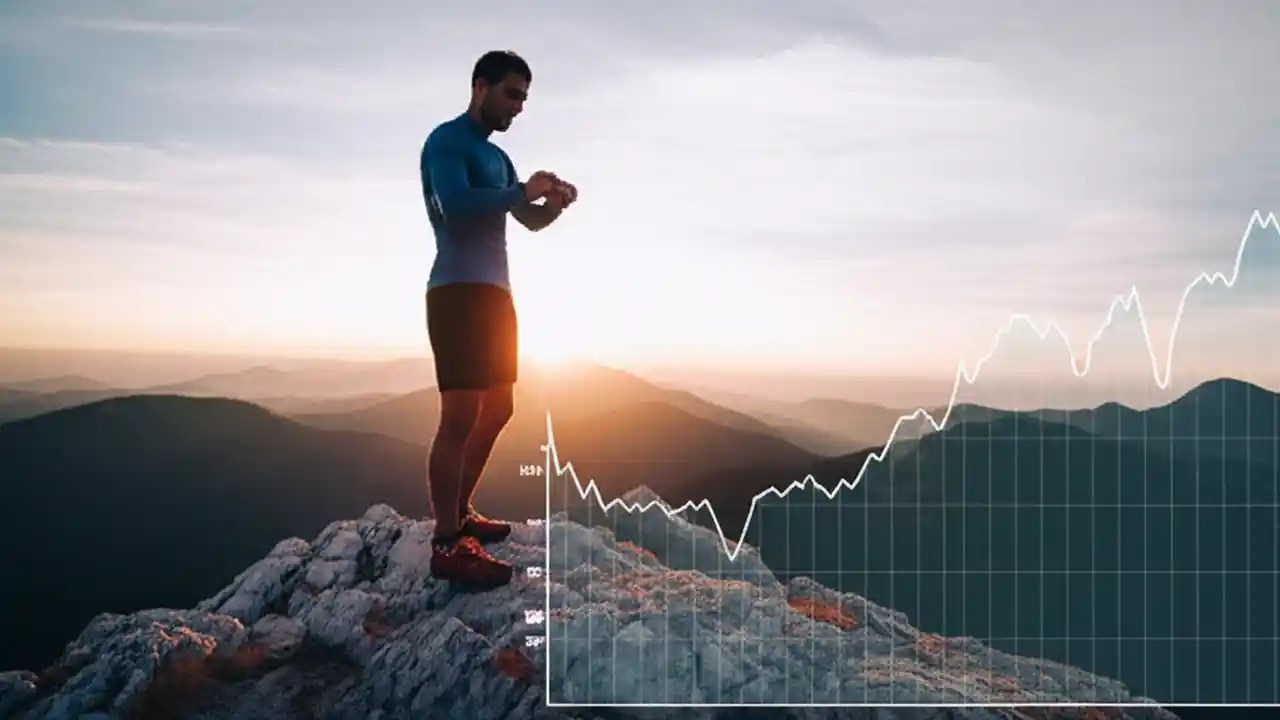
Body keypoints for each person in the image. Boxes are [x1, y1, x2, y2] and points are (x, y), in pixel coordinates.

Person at [419, 50, 578, 591]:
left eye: (524, 99)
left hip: (494, 297)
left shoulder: (500, 160)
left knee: (501, 406)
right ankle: (446, 544)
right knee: (459, 414)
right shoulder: (446, 142)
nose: (518, 107)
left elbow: (527, 220)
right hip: (457, 292)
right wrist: (522, 190)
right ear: (480, 86)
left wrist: (553, 204)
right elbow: (456, 205)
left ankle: (461, 514)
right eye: (512, 94)